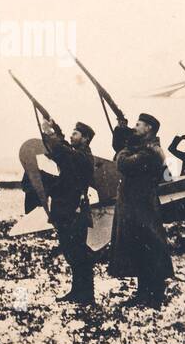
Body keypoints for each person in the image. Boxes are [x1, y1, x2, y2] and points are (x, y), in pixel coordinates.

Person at [109, 113, 173, 308]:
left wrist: (126, 145)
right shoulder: (144, 148)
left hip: (143, 206)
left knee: (150, 248)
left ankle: (154, 295)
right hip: (138, 206)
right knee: (141, 248)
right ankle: (144, 293)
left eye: (139, 125)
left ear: (149, 129)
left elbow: (124, 163)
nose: (135, 128)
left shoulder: (152, 151)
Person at [40, 117, 97, 304]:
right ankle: (78, 291)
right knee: (72, 252)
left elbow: (61, 150)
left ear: (85, 138)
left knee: (77, 253)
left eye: (76, 133)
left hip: (74, 211)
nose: (72, 136)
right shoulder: (77, 153)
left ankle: (86, 294)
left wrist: (50, 132)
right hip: (68, 210)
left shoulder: (83, 156)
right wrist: (56, 128)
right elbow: (63, 147)